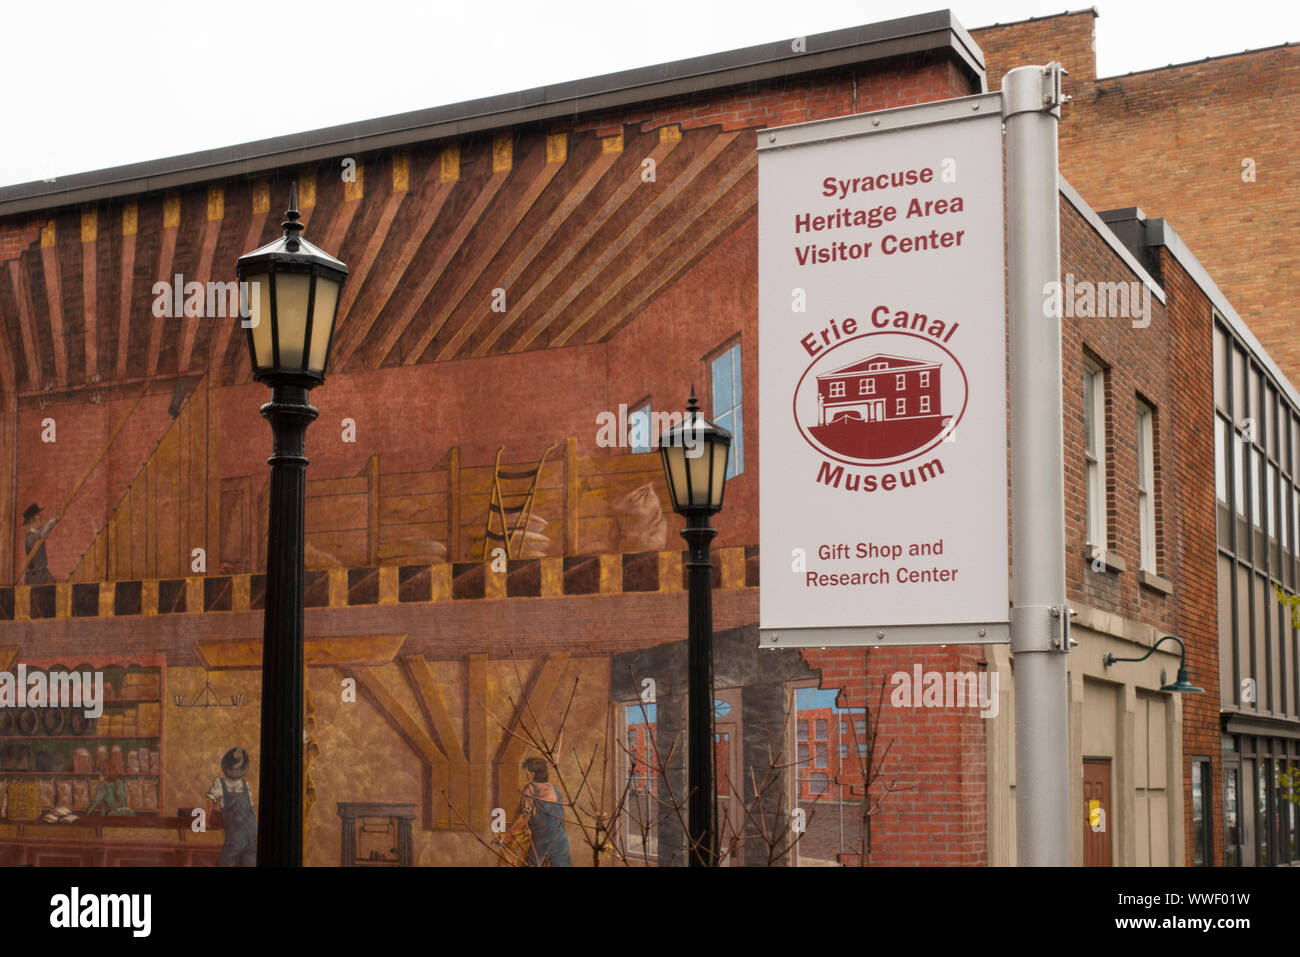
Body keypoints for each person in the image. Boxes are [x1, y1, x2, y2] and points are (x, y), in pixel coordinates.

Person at [505, 757, 571, 867]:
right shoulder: (556, 789)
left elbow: (525, 818)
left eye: (528, 772)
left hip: (542, 841)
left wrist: (509, 834)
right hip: (560, 840)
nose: (526, 775)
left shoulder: (531, 788)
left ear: (534, 773)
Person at [206, 747, 257, 867]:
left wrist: (207, 821)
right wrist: (207, 820)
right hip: (244, 834)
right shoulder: (224, 784)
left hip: (245, 835)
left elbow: (210, 801)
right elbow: (209, 801)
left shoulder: (243, 784)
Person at [22, 504, 57, 585]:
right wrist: (54, 520)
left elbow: (44, 529)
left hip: (42, 573)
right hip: (34, 576)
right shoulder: (30, 536)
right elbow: (42, 532)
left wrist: (55, 519)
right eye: (38, 515)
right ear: (32, 520)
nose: (41, 517)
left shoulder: (37, 533)